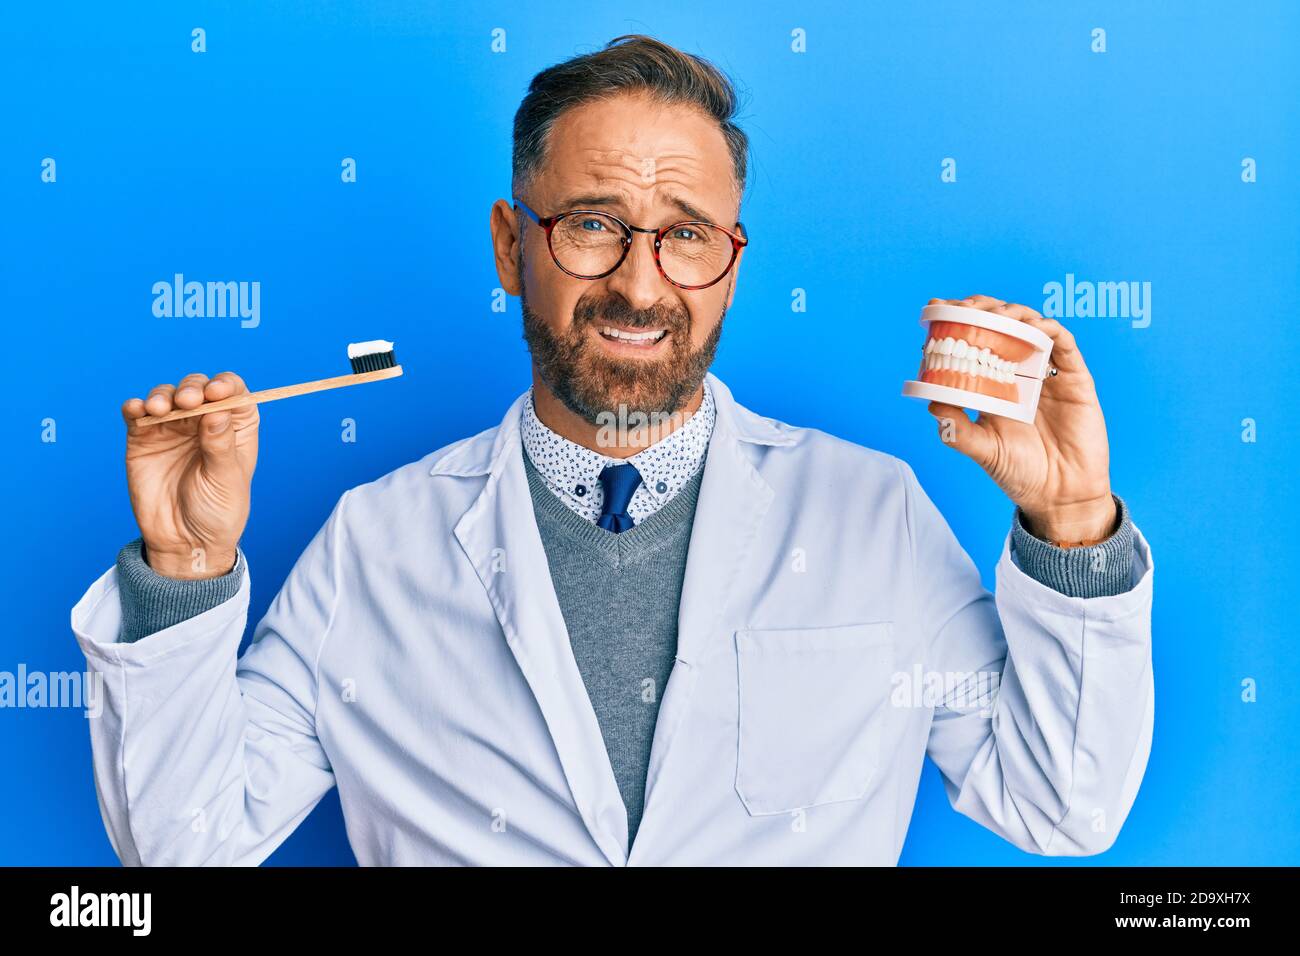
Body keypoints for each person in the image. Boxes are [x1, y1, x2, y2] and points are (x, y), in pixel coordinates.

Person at [70, 35, 1153, 866]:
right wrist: (184, 567)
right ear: (510, 245)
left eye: (685, 234)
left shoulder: (869, 513)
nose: (641, 285)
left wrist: (1070, 523)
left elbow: (1062, 802)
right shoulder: (376, 544)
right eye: (592, 225)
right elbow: (184, 842)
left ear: (730, 262)